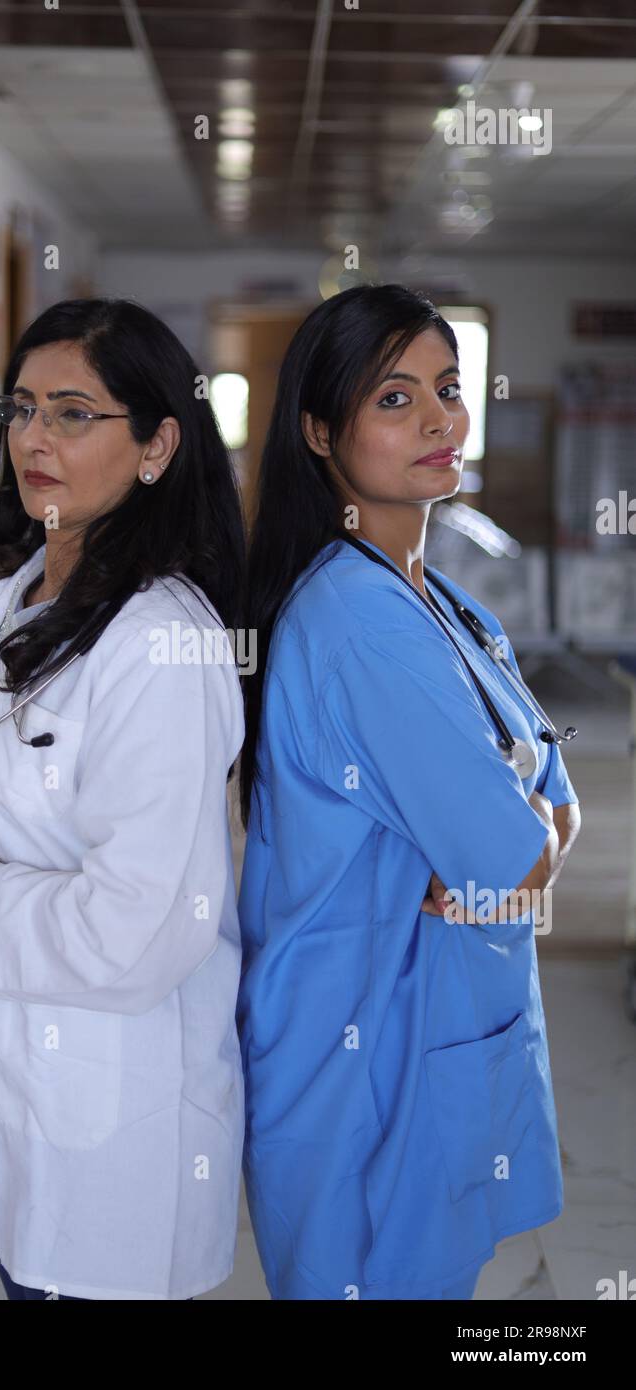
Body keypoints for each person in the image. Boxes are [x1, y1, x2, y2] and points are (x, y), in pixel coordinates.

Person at [0, 298, 246, 1301]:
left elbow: (145, 927)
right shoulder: (22, 593)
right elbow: (25, 783)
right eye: (22, 408)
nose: (33, 438)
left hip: (108, 1119)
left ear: (157, 446)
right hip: (9, 1080)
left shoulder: (160, 641)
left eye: (73, 413)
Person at [236, 283, 581, 1301]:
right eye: (394, 398)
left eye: (448, 388)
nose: (438, 419)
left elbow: (555, 802)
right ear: (317, 430)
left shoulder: (449, 608)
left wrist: (529, 833)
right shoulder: (362, 626)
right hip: (366, 1075)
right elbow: (520, 861)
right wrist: (527, 837)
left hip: (444, 1048)